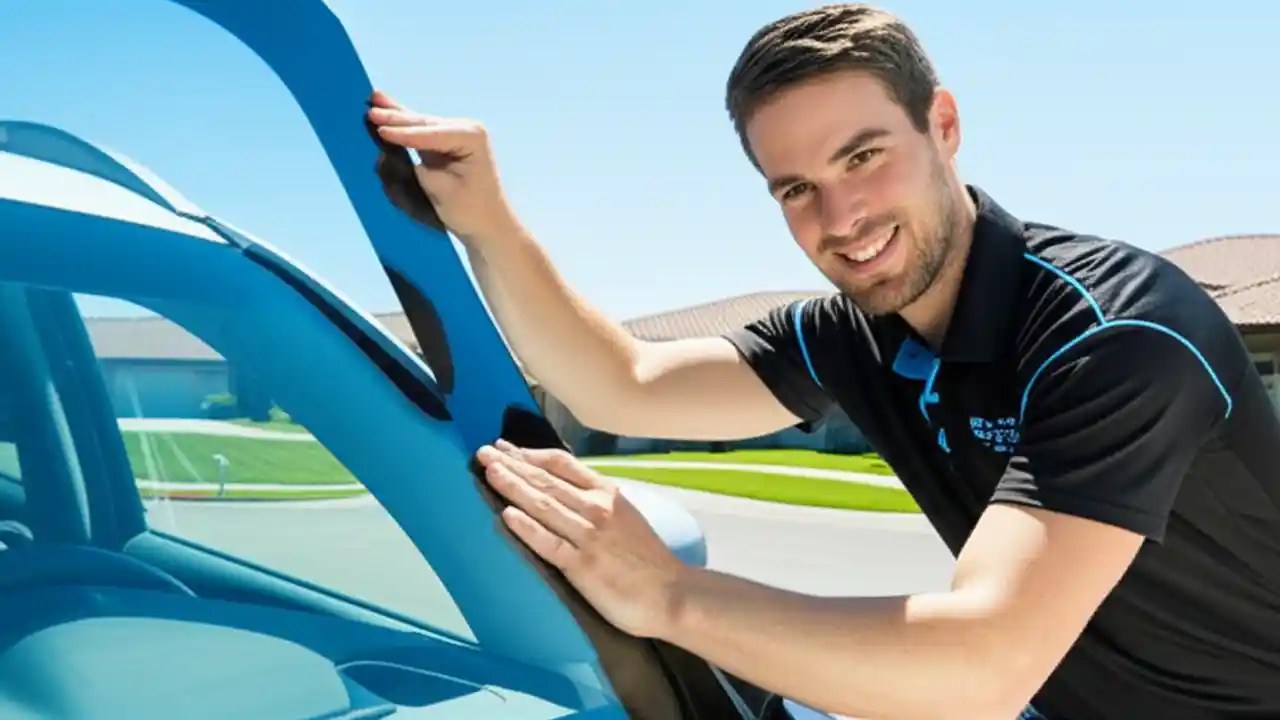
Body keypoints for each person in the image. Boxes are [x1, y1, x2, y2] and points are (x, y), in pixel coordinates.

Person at [366, 4, 1280, 718]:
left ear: (944, 125)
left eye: (865, 156)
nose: (840, 219)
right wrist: (485, 221)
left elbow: (984, 666)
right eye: (797, 188)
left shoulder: (1112, 333)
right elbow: (619, 383)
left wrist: (671, 594)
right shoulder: (852, 334)